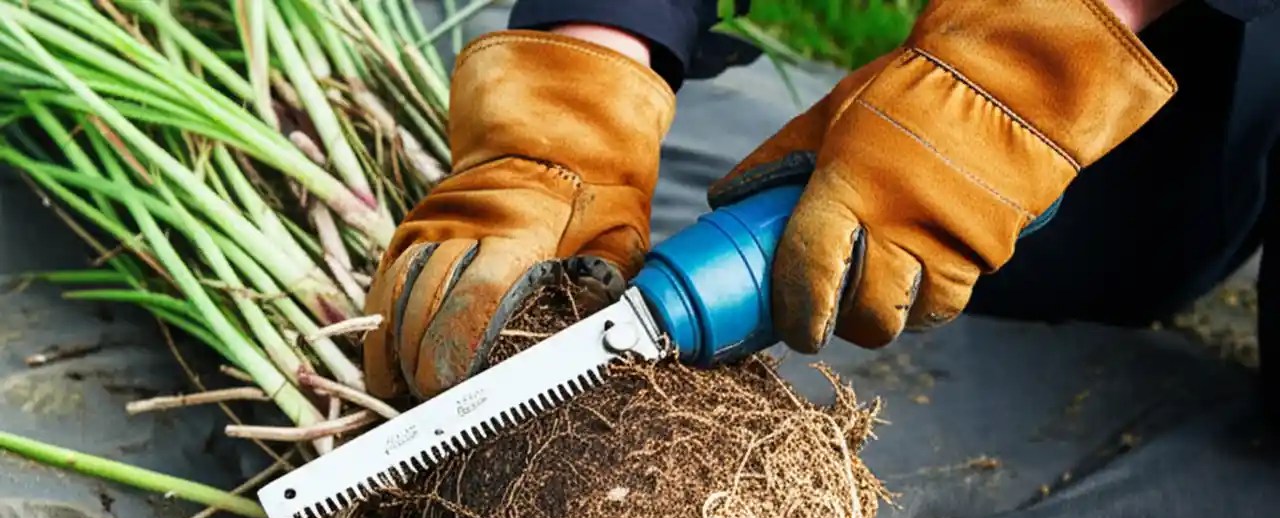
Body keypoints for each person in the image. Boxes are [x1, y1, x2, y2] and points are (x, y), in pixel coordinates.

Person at [361, 0, 1280, 410]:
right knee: (1072, 255)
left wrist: (1041, 56)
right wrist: (582, 82)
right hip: (1126, 190)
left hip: (1203, 57)